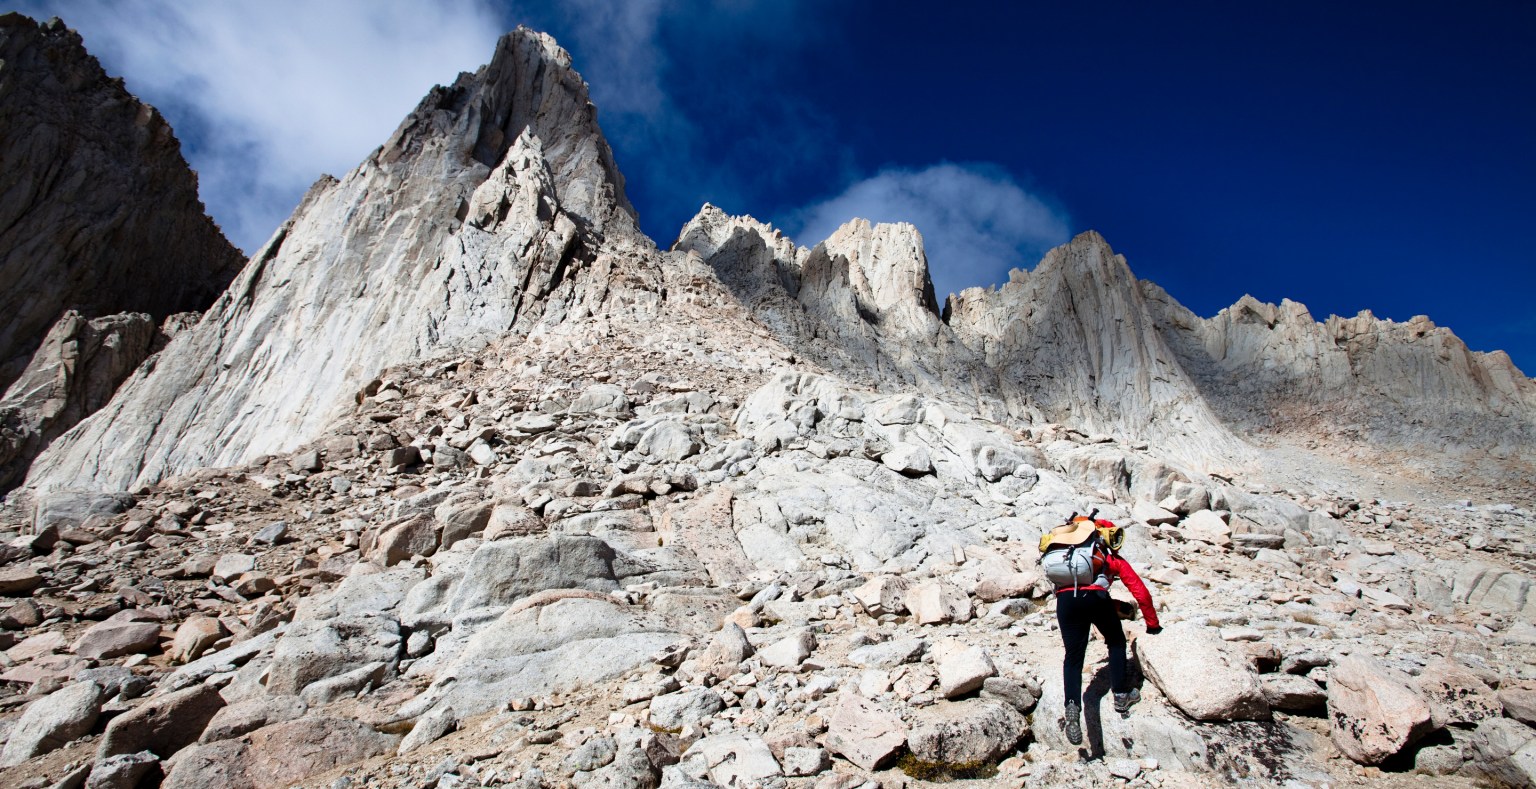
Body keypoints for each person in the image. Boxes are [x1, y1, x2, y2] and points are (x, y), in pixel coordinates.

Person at [1041, 513, 1161, 746]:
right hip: (1096, 598)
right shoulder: (1106, 556)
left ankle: (1072, 704)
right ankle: (1121, 695)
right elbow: (1140, 592)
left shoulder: (1067, 553)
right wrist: (1152, 624)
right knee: (1116, 641)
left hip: (1066, 600)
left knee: (1073, 658)